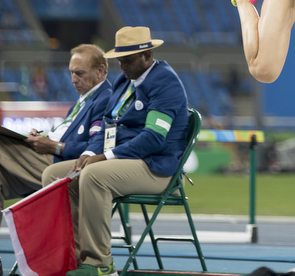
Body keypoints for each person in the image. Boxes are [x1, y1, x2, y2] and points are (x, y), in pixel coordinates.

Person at [0, 44, 112, 273]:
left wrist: (53, 146)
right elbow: (67, 135)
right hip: (48, 159)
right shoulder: (83, 99)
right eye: (71, 72)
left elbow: (94, 149)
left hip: (62, 168)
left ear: (101, 71)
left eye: (79, 73)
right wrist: (42, 138)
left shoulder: (105, 99)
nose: (73, 79)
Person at [42, 26, 189, 276]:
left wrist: (104, 157)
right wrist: (88, 154)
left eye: (128, 60)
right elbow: (107, 127)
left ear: (148, 55)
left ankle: (100, 264)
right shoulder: (124, 81)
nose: (123, 65)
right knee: (54, 176)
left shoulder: (164, 83)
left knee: (94, 176)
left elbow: (153, 138)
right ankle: (74, 257)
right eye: (120, 59)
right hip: (128, 160)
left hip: (156, 166)